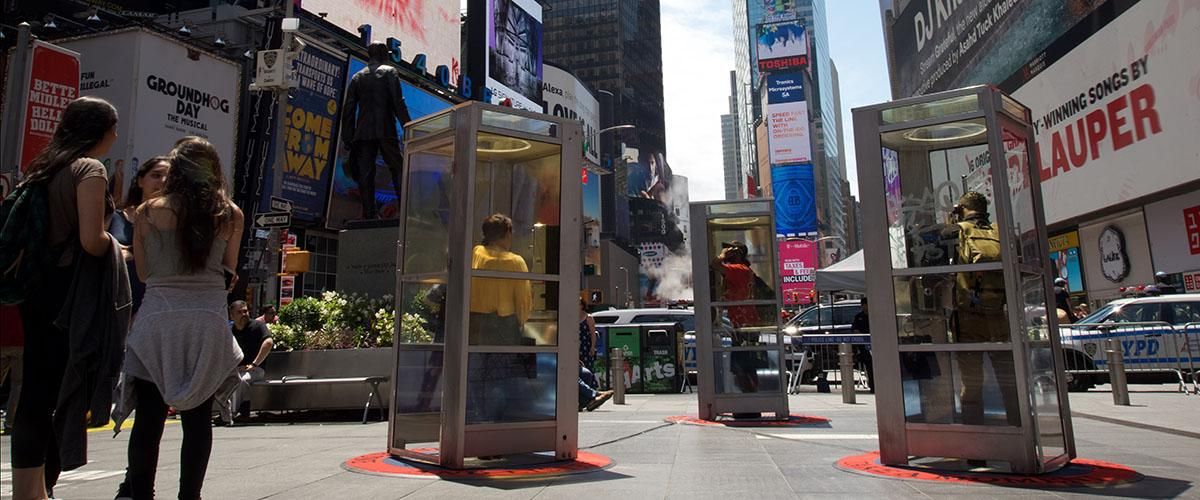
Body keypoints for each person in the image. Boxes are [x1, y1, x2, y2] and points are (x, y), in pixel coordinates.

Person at [112, 137, 245, 500]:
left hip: (158, 318)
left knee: (149, 419)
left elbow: (142, 273)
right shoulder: (230, 214)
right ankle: (190, 496)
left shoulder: (147, 212)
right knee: (198, 418)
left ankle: (140, 493)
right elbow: (228, 271)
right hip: (206, 321)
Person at [11, 96, 122, 500]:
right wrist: (118, 246)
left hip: (36, 287)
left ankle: (30, 489)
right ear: (100, 131)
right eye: (114, 126)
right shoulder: (89, 168)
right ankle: (38, 489)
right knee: (60, 389)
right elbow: (91, 241)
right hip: (69, 291)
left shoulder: (44, 166)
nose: (117, 135)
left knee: (34, 392)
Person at [948, 191, 1021, 428]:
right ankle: (1018, 430)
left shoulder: (958, 231)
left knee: (972, 383)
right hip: (999, 315)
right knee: (1008, 380)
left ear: (961, 209)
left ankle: (976, 444)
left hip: (968, 318)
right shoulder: (1000, 230)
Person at [342, 41, 411, 220]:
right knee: (398, 168)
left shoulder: (357, 77)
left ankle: (369, 214)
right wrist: (409, 127)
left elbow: (348, 108)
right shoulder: (390, 72)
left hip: (363, 133)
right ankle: (405, 211)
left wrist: (347, 135)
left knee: (366, 174)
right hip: (385, 129)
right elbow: (398, 103)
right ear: (383, 54)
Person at [110, 156, 170, 315]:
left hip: (152, 313)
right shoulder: (114, 217)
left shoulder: (174, 228)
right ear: (140, 181)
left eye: (169, 178)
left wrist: (131, 253)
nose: (163, 181)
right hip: (112, 308)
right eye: (156, 175)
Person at [224, 301, 274, 425]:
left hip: (256, 369)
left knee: (241, 380)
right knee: (226, 380)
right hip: (237, 369)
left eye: (245, 311)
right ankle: (234, 413)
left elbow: (268, 342)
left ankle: (233, 414)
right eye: (239, 312)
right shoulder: (230, 330)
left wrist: (255, 364)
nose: (244, 314)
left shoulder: (258, 326)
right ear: (232, 316)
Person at [579, 299, 614, 411]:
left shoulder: (588, 317)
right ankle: (593, 396)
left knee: (587, 370)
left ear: (582, 305)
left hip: (585, 345)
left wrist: (592, 347)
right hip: (575, 346)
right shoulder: (570, 316)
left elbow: (593, 333)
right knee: (579, 374)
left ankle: (592, 395)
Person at [850, 296, 875, 393]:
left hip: (877, 346)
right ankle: (873, 387)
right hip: (865, 347)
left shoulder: (875, 315)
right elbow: (855, 330)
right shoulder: (859, 317)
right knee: (869, 367)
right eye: (864, 305)